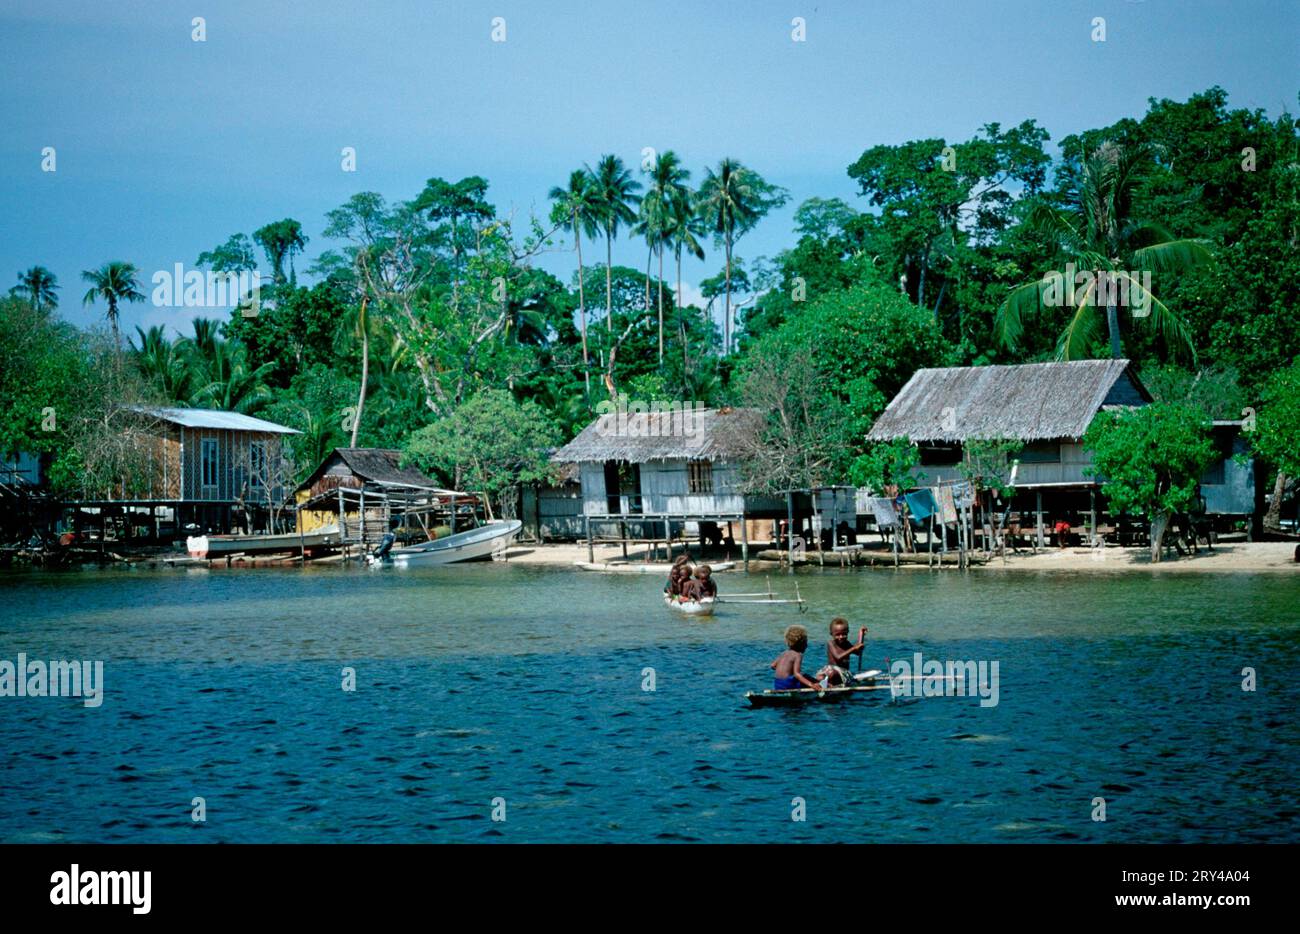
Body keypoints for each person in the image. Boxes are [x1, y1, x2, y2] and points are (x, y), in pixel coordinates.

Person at [814, 617, 867, 686]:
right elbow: (838, 657)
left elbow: (858, 652)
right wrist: (853, 648)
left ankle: (828, 685)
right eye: (837, 634)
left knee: (831, 673)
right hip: (831, 669)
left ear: (847, 632)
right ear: (831, 634)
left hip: (843, 672)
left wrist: (861, 635)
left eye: (844, 634)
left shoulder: (847, 643)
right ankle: (825, 685)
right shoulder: (831, 643)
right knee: (820, 676)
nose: (841, 637)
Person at [770, 625, 821, 691]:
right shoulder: (797, 655)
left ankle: (818, 683)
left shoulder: (784, 653)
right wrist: (811, 685)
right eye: (806, 643)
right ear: (801, 644)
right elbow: (797, 674)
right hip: (788, 685)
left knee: (802, 675)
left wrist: (785, 670)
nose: (807, 645)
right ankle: (818, 684)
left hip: (777, 684)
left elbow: (772, 666)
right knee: (804, 676)